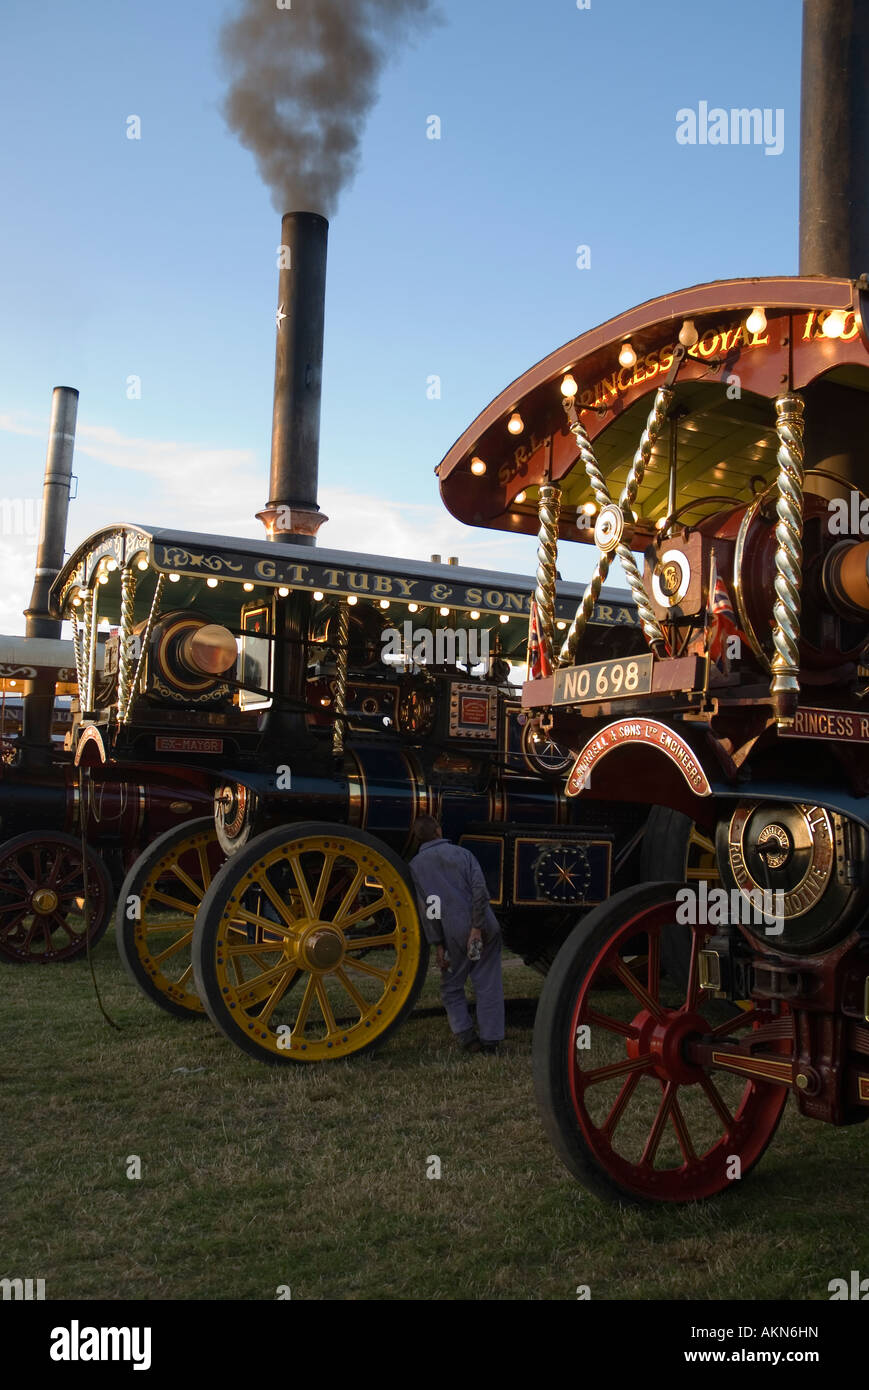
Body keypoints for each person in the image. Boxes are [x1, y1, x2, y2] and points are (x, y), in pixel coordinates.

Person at [408, 814, 505, 1054]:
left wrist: (438, 944)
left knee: (451, 986)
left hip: (451, 932)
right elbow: (480, 890)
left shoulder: (416, 867)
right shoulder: (463, 854)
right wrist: (477, 926)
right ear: (439, 831)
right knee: (488, 981)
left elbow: (428, 910)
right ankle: (491, 1039)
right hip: (484, 926)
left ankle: (466, 1036)